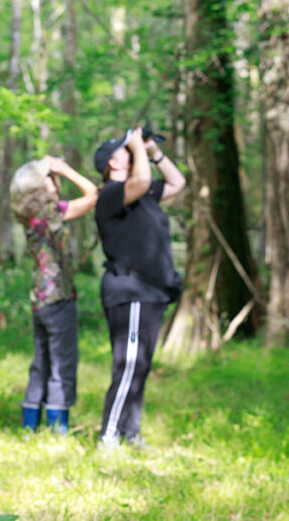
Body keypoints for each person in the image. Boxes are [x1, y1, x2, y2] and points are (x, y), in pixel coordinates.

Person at [93, 127, 185, 449]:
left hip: (153, 291)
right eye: (124, 149)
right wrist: (137, 146)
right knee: (128, 364)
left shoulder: (143, 194)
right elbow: (142, 180)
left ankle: (130, 432)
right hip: (129, 289)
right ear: (113, 163)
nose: (131, 152)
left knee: (141, 365)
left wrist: (154, 152)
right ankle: (109, 436)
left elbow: (177, 183)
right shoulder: (110, 194)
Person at [10, 156, 98, 435]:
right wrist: (67, 170)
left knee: (42, 362)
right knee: (63, 363)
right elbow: (92, 195)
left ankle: (30, 424)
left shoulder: (29, 215)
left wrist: (53, 173)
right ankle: (58, 426)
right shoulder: (53, 212)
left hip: (40, 299)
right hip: (58, 298)